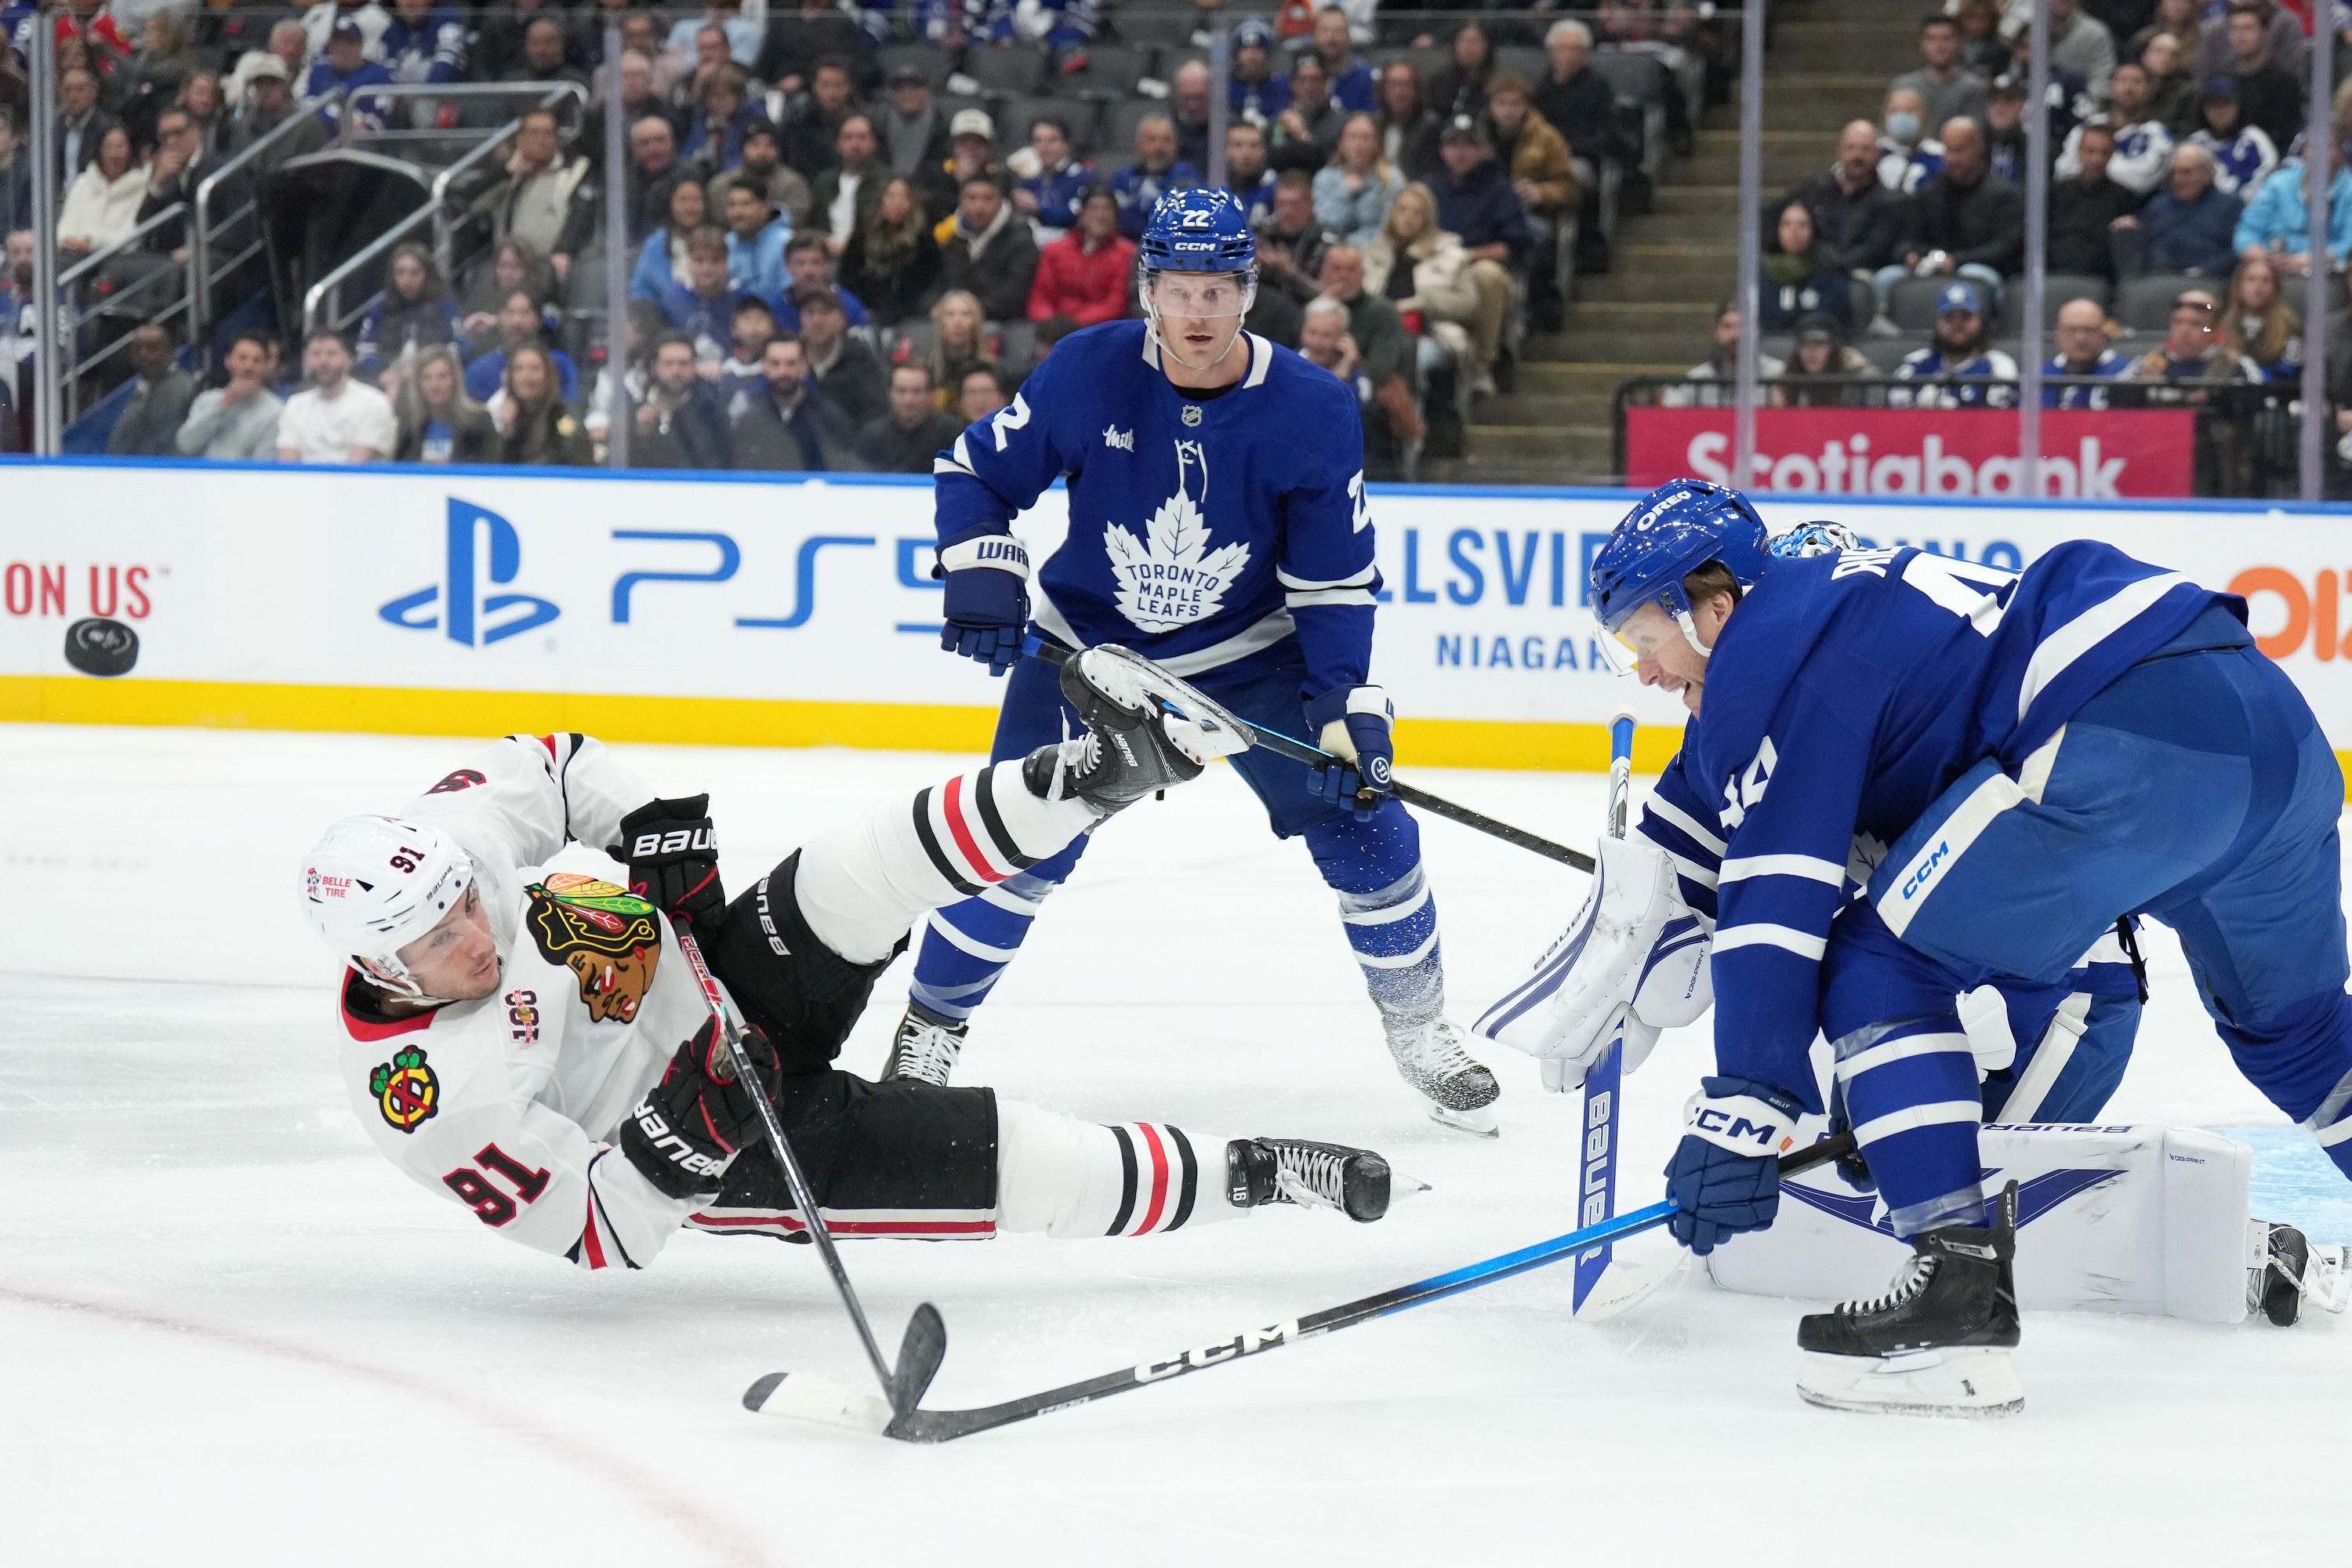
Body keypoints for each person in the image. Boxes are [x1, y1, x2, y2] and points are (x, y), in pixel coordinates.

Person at [1503, 478, 2352, 1413]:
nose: (1644, 671)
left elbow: (1776, 907)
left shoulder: (1767, 655)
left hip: (2122, 729)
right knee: (2301, 1037)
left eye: (1644, 636)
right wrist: (1625, 923)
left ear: (1715, 606)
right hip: (2272, 733)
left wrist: (1744, 1102)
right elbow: (1690, 838)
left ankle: (1956, 1303)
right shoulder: (1822, 625)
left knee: (1878, 968)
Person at [301, 685, 1407, 1287]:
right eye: (438, 941)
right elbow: (602, 1230)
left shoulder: (450, 841)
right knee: (1008, 1154)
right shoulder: (433, 1098)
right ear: (379, 965)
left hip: (715, 975)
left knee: (855, 869)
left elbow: (555, 761)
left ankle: (1092, 775)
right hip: (731, 1142)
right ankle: (1257, 1173)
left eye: (465, 903)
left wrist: (646, 828)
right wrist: (681, 1139)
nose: (475, 933)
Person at [898, 189, 1501, 1134]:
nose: (1197, 312)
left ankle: (1421, 1030)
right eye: (1178, 289)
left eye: (1218, 290)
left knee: (1369, 829)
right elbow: (976, 471)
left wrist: (1344, 703)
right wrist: (980, 564)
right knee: (1015, 840)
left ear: (1249, 291)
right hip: (1089, 651)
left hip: (1250, 655)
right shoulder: (1086, 369)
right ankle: (928, 1031)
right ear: (1148, 288)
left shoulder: (1312, 406)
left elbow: (1333, 581)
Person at [1423, 115, 1530, 397]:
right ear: (1443, 150)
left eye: (1468, 145)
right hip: (1434, 265)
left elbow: (1512, 244)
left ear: (1483, 149)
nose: (1460, 153)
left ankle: (1481, 366)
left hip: (1475, 266)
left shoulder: (1499, 189)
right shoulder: (1429, 187)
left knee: (1489, 275)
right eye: (1453, 145)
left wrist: (1467, 256)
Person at [1877, 118, 2021, 311]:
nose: (1952, 159)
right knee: (1886, 278)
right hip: (1932, 268)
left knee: (1976, 274)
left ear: (1978, 148)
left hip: (1980, 268)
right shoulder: (1930, 192)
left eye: (1959, 150)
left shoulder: (2003, 194)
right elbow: (1907, 239)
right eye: (1949, 150)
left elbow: (2006, 247)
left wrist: (1958, 260)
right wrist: (1911, 255)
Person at [1363, 180, 1476, 390]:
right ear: (1392, 213)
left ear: (1428, 218)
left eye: (1418, 213)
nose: (1408, 218)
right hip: (1378, 332)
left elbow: (1468, 304)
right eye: (1402, 210)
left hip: (1429, 334)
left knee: (1412, 357)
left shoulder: (1450, 254)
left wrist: (1420, 304)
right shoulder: (1373, 251)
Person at [1780, 120, 1907, 276]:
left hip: (1860, 276)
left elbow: (1874, 251)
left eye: (1865, 149)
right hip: (1812, 273)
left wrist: (1833, 265)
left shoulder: (1891, 202)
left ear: (1877, 154)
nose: (1857, 155)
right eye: (1850, 148)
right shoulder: (1816, 189)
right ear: (1840, 152)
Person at [488, 107, 593, 284]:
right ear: (520, 139)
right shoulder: (511, 176)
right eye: (534, 133)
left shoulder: (575, 171)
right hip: (509, 267)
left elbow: (580, 217)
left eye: (548, 134)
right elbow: (471, 202)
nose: (541, 140)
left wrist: (564, 250)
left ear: (557, 139)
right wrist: (506, 172)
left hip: (550, 267)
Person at [2114, 141, 2241, 276]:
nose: (2178, 179)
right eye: (2173, 173)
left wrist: (2205, 271)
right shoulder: (2158, 205)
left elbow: (2238, 250)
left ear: (2208, 174)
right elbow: (2142, 240)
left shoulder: (2231, 206)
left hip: (2209, 278)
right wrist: (2130, 224)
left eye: (2186, 172)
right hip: (2160, 277)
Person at [2234, 136, 2352, 274]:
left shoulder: (2349, 189)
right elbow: (2247, 231)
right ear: (2303, 151)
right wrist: (2261, 256)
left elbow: (2348, 242)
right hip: (2273, 267)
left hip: (2329, 272)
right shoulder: (2279, 183)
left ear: (2341, 151)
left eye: (2327, 147)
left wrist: (2313, 259)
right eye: (2312, 146)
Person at [732, 331, 851, 469]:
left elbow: (840, 468)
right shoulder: (751, 418)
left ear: (804, 365)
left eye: (791, 363)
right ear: (764, 365)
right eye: (775, 363)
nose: (783, 372)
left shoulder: (827, 417)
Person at [1891, 281, 2016, 408]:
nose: (1957, 324)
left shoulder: (1999, 366)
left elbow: (1998, 416)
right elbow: (1896, 414)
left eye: (1966, 317)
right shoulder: (1914, 364)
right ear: (1936, 323)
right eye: (1949, 317)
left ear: (1980, 321)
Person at [278, 329, 397, 463]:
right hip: (302, 477)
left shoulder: (374, 402)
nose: (323, 361)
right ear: (305, 360)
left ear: (348, 359)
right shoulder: (294, 406)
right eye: (316, 354)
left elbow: (357, 467)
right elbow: (287, 465)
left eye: (331, 354)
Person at [2053, 64, 2174, 196]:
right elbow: (2063, 170)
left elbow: (2142, 182)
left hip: (2131, 204)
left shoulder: (2157, 134)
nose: (2129, 88)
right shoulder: (2088, 126)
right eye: (2123, 80)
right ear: (2111, 86)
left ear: (2149, 90)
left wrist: (2093, 172)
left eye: (2137, 82)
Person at [840, 176, 940, 328]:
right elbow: (847, 277)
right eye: (891, 195)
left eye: (904, 197)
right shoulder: (862, 235)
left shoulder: (924, 241)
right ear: (880, 200)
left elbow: (928, 285)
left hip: (908, 316)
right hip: (863, 313)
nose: (897, 203)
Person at [938, 173, 1039, 325]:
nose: (979, 207)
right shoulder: (954, 241)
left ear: (1002, 201)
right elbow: (944, 286)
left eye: (988, 199)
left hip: (1005, 323)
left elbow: (1014, 296)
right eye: (972, 198)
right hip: (959, 319)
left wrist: (968, 312)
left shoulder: (1021, 240)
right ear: (961, 202)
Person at [1027, 185, 1133, 327]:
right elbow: (1041, 297)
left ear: (1116, 216)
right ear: (1081, 213)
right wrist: (1050, 324)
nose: (1100, 215)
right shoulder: (1054, 250)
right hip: (1052, 327)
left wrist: (1074, 326)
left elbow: (1115, 304)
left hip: (1099, 329)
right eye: (1093, 208)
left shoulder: (1127, 254)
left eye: (1107, 209)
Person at [2045, 122, 2140, 280]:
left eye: (2104, 153)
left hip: (2100, 278)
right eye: (2090, 151)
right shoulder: (2054, 193)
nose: (2097, 159)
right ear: (2079, 151)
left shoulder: (2125, 198)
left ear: (2112, 154)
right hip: (2054, 274)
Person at [356, 242, 463, 379]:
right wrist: (382, 371)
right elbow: (365, 351)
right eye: (400, 273)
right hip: (388, 379)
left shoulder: (446, 307)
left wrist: (427, 372)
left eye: (415, 273)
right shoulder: (380, 307)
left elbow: (456, 349)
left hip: (432, 379)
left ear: (427, 274)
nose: (406, 281)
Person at [176, 329, 286, 460]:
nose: (248, 366)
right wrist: (224, 403)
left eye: (257, 361)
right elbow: (186, 446)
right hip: (204, 472)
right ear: (228, 361)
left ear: (267, 366)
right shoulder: (207, 400)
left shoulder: (276, 411)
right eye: (242, 358)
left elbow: (263, 462)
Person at [632, 329, 734, 468]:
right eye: (668, 363)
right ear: (654, 367)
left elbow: (718, 460)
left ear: (694, 366)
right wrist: (640, 431)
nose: (676, 371)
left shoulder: (711, 409)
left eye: (684, 363)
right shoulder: (635, 406)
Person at [1661, 300, 1784, 408]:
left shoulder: (1776, 374)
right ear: (1716, 332)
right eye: (1727, 327)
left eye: (1741, 326)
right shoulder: (1699, 377)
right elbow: (1672, 405)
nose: (1735, 335)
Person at [657, 227, 753, 365]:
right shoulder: (670, 299)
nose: (707, 269)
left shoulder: (743, 300)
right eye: (699, 261)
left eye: (715, 261)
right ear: (689, 263)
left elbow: (752, 349)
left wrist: (728, 364)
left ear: (727, 263)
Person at [466, 288, 579, 404]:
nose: (517, 321)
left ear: (539, 319)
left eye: (525, 313)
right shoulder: (479, 371)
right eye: (510, 312)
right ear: (498, 318)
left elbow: (570, 408)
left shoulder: (559, 365)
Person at [794, 287, 885, 427]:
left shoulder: (859, 358)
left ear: (842, 320)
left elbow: (878, 411)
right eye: (809, 312)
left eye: (826, 312)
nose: (817, 320)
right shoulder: (790, 356)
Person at [1757, 201, 1854, 332]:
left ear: (1813, 230)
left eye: (1802, 225)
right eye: (1787, 224)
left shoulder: (1832, 268)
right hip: (1772, 339)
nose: (1794, 231)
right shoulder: (1762, 270)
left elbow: (1833, 313)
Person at [492, 341, 593, 466]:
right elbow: (496, 468)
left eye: (534, 369)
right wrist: (507, 431)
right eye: (518, 369)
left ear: (548, 375)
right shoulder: (509, 416)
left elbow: (571, 459)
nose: (526, 377)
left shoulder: (563, 415)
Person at [391, 342, 495, 463]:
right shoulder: (408, 428)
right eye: (427, 378)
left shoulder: (479, 423)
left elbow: (492, 467)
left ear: (455, 380)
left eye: (442, 376)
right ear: (418, 383)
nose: (435, 385)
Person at [105, 323, 198, 457]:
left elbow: (162, 443)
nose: (143, 355)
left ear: (170, 351)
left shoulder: (183, 389)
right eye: (138, 349)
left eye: (152, 348)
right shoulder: (141, 387)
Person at [1890, 13, 1988, 135]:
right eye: (1932, 39)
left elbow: (1976, 133)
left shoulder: (1975, 88)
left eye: (1946, 38)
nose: (1939, 46)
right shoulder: (1903, 86)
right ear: (1922, 43)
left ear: (1959, 42)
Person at [226, 54, 325, 172]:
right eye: (260, 83)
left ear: (285, 86)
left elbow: (313, 171)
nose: (265, 90)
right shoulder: (242, 125)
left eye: (273, 83)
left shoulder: (307, 125)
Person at [1312, 112, 1398, 248]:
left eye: (1366, 138)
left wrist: (1352, 245)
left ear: (1376, 144)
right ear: (1341, 143)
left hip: (1374, 250)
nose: (1359, 144)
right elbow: (1324, 222)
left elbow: (1389, 227)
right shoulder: (1325, 178)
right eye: (1353, 137)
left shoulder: (1391, 179)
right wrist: (1345, 192)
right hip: (1330, 249)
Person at [2216, 247, 2301, 383]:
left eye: (2266, 281)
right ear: (2238, 287)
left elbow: (2290, 372)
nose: (2258, 287)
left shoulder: (2290, 327)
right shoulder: (2220, 324)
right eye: (2251, 280)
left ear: (2276, 289)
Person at [856, 361, 960, 472]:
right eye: (901, 391)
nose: (908, 400)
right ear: (890, 393)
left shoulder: (952, 434)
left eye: (917, 392)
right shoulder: (873, 436)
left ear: (930, 393)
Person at [56, 122, 142, 255]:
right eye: (108, 147)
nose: (114, 154)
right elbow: (64, 227)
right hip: (74, 257)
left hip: (119, 260)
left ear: (130, 151)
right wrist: (71, 241)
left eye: (119, 147)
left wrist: (93, 242)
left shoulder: (141, 186)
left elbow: (132, 237)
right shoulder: (83, 183)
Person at [1109, 114, 1200, 241]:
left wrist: (1136, 208)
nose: (1159, 147)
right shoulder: (1121, 179)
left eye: (1166, 140)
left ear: (1176, 145)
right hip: (1127, 246)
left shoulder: (1187, 177)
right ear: (1139, 144)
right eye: (1151, 140)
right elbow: (1114, 221)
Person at [2187, 75, 2277, 199]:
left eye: (2225, 104)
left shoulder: (2254, 139)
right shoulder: (2194, 144)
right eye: (2213, 105)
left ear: (2238, 106)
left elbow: (2267, 174)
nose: (2219, 111)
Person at [811, 113, 886, 257]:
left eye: (862, 137)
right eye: (848, 138)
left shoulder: (886, 182)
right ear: (838, 144)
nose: (855, 144)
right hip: (824, 254)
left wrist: (850, 246)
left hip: (867, 255)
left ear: (874, 143)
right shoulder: (824, 182)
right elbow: (814, 223)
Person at [2042, 295, 2134, 408]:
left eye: (2090, 330)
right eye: (2072, 330)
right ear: (2058, 333)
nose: (2081, 339)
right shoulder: (2042, 375)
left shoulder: (2126, 374)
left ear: (2103, 334)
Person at [304, 18, 392, 136]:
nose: (342, 49)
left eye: (349, 43)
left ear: (360, 45)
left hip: (358, 141)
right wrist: (338, 116)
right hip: (319, 139)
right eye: (337, 43)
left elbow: (381, 121)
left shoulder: (377, 74)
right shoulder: (320, 72)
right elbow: (306, 108)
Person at [1011, 115, 1091, 243]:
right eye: (1038, 141)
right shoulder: (1026, 179)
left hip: (1068, 245)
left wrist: (1038, 208)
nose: (1044, 148)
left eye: (1052, 141)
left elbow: (1078, 216)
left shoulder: (1083, 177)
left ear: (1066, 145)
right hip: (1028, 246)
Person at [1255, 169, 1331, 303]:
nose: (1287, 211)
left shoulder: (1325, 241)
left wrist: (1290, 272)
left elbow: (1326, 295)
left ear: (1311, 205)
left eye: (1294, 205)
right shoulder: (1264, 234)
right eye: (1281, 204)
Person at [725, 120, 815, 235]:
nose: (762, 152)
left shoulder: (794, 185)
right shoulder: (722, 185)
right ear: (743, 148)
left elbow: (794, 224)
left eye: (769, 145)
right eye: (755, 144)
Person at [771, 234, 870, 333]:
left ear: (827, 265)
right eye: (800, 263)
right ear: (787, 267)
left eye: (816, 262)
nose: (808, 271)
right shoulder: (774, 306)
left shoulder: (849, 305)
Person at [916, 288, 995, 411]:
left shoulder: (992, 370)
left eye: (966, 314)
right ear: (940, 321)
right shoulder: (926, 369)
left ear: (977, 321)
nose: (958, 321)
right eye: (950, 314)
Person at [718, 173, 793, 298]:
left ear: (765, 209)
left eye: (745, 204)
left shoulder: (787, 244)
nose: (737, 213)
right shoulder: (724, 244)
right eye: (732, 205)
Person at [1773, 312, 1869, 408]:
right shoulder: (1785, 382)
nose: (1811, 351)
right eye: (1805, 344)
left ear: (1833, 349)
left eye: (1819, 343)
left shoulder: (1858, 380)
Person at [1271, 53, 1346, 176]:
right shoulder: (1279, 122)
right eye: (1302, 80)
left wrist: (1303, 135)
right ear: (1293, 84)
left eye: (1315, 80)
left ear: (1326, 83)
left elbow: (1330, 165)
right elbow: (1272, 162)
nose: (1309, 87)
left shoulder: (1341, 124)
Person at [877, 61, 949, 183]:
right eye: (900, 88)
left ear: (928, 91)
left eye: (916, 87)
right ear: (891, 94)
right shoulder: (879, 125)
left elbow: (946, 167)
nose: (907, 93)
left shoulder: (943, 126)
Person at [1373, 58, 1439, 183]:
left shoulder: (1430, 128)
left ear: (1417, 90)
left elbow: (1428, 177)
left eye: (1406, 85)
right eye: (1392, 85)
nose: (1399, 92)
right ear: (1382, 90)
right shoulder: (1374, 125)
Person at [1876, 87, 1947, 196]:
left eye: (1909, 111)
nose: (1901, 117)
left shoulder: (1939, 154)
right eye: (1895, 111)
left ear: (1923, 116)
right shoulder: (1874, 152)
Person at [1310, 5, 1375, 114]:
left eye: (1338, 31)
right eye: (1324, 30)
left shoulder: (1368, 79)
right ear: (1315, 36)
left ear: (1349, 36)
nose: (1331, 37)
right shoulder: (1304, 79)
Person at [1228, 15, 1291, 125]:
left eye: (1258, 48)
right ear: (1237, 55)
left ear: (1268, 55)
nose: (1252, 54)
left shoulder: (1281, 86)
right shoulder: (1225, 88)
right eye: (1246, 49)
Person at [1425, 20, 1493, 124]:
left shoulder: (1496, 83)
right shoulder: (1438, 81)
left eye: (1475, 41)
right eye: (1463, 41)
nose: (1468, 47)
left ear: (1486, 46)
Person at [1224, 122, 1280, 227]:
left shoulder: (1277, 190)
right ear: (1227, 150)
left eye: (1254, 146)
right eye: (1238, 145)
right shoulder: (1216, 187)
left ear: (1264, 150)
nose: (1246, 154)